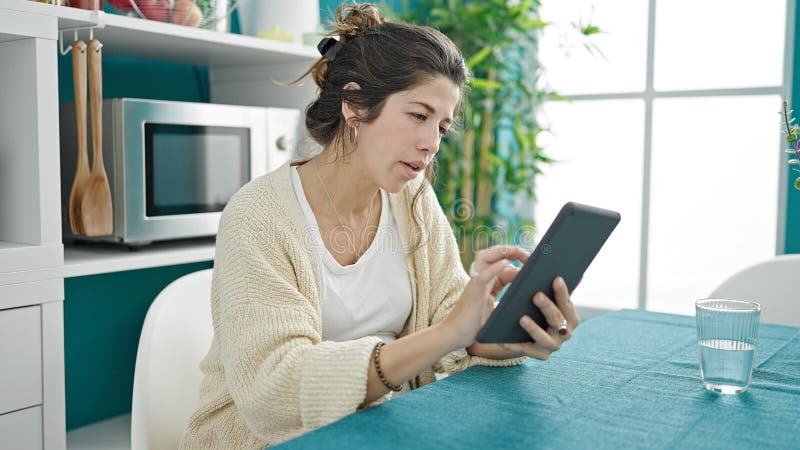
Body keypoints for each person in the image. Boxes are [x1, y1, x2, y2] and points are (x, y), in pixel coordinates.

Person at [180, 3, 580, 449]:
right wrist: (449, 332)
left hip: (382, 430)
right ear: (355, 104)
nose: (431, 144)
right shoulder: (258, 215)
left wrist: (503, 335)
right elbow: (273, 392)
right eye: (418, 115)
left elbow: (450, 327)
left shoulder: (412, 200)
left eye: (442, 128)